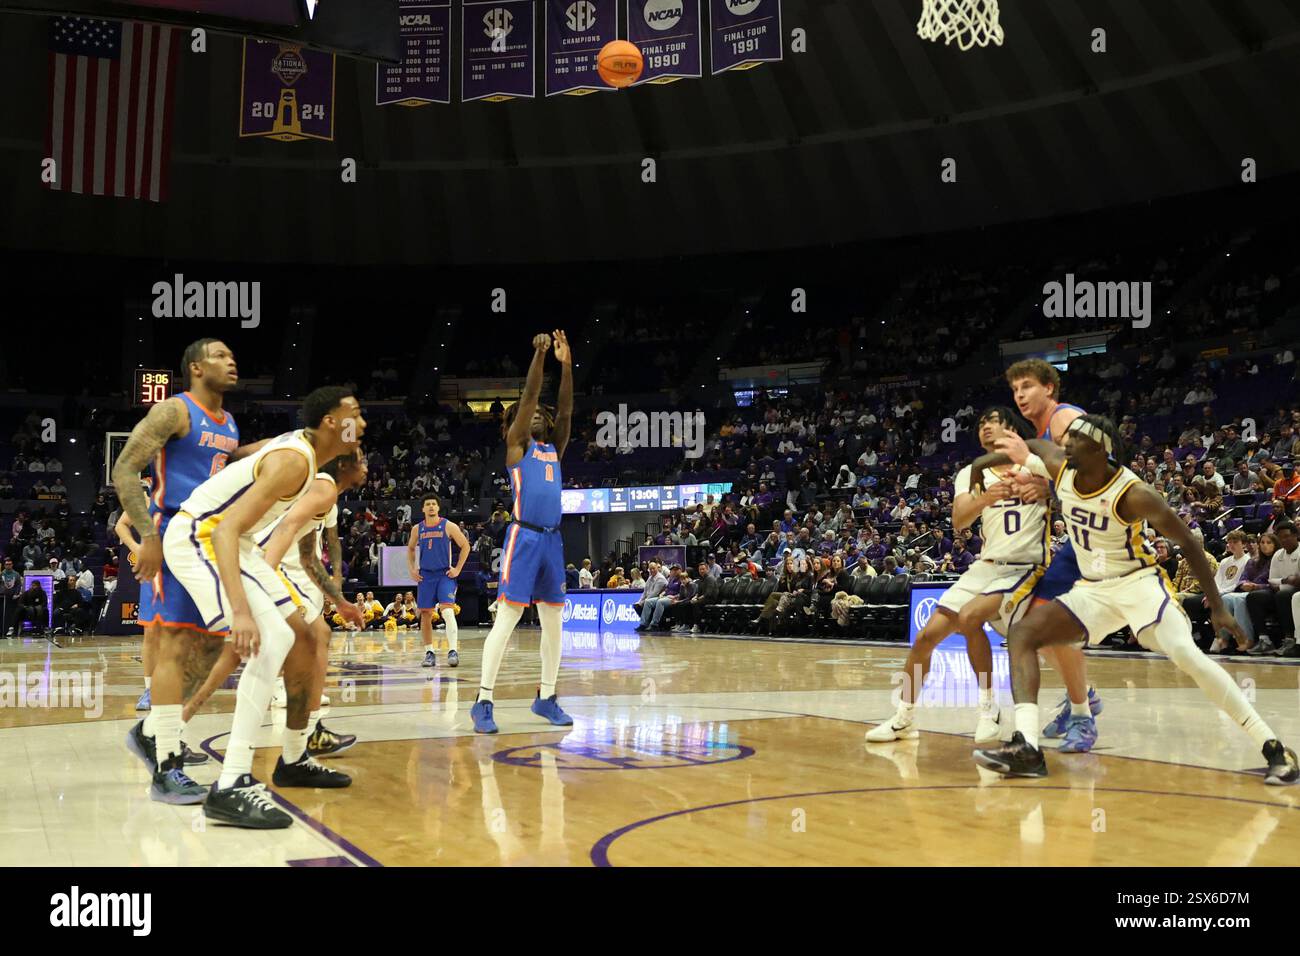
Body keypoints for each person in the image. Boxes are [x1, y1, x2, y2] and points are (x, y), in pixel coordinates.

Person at [970, 415, 1298, 785]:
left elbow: (1189, 543)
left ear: (1100, 449)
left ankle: (1273, 747)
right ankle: (1027, 747)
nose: (1066, 445)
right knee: (1022, 634)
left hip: (1138, 584)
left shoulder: (1134, 493)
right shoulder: (1061, 468)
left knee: (1187, 656)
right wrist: (982, 464)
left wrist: (1218, 606)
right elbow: (1028, 445)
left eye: (1076, 439)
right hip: (1094, 588)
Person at [163, 386, 366, 826]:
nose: (363, 423)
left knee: (307, 637)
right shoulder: (295, 460)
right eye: (355, 414)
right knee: (270, 638)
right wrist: (240, 609)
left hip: (241, 543)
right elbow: (225, 529)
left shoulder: (302, 449)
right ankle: (229, 778)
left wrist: (234, 461)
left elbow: (243, 453)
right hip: (203, 535)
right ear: (331, 421)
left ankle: (293, 758)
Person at [112, 338, 246, 794]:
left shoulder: (229, 424)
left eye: (232, 356)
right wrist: (149, 536)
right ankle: (166, 762)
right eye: (220, 356)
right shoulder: (175, 411)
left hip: (210, 540)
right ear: (195, 367)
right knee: (171, 644)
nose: (231, 362)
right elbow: (125, 469)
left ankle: (151, 733)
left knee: (208, 647)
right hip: (174, 532)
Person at [869, 408, 1045, 745]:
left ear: (1010, 428)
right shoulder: (971, 472)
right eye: (981, 423)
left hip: (1025, 565)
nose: (984, 427)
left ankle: (990, 708)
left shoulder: (1035, 463)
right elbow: (960, 521)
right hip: (988, 565)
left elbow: (1067, 490)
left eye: (991, 421)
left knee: (975, 619)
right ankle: (904, 717)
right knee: (925, 639)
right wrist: (987, 497)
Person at [471, 331, 575, 735]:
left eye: (535, 413)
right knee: (509, 618)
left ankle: (546, 697)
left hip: (552, 539)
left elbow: (565, 413)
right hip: (524, 537)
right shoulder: (517, 446)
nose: (530, 414)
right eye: (522, 412)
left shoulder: (555, 446)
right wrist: (539, 356)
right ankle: (483, 701)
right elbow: (531, 397)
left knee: (554, 623)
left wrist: (566, 366)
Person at [1004, 358, 1102, 752]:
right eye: (1014, 390)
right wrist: (1044, 487)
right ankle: (1083, 697)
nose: (1020, 395)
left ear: (1049, 388)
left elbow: (1097, 469)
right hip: (1082, 537)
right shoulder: (1046, 432)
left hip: (1103, 535)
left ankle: (1083, 713)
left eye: (1027, 385)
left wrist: (1044, 483)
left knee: (1044, 623)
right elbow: (1069, 481)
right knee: (1036, 624)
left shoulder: (1064, 418)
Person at [408, 494, 469, 668]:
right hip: (426, 576)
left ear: (438, 507)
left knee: (448, 612)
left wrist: (457, 569)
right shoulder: (417, 529)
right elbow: (411, 549)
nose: (431, 506)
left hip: (444, 575)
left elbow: (465, 545)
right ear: (423, 509)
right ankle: (429, 653)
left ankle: (452, 651)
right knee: (425, 615)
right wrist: (412, 569)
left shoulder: (448, 525)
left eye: (434, 504)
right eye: (428, 504)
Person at [1245, 520, 1300, 656]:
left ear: (1296, 535)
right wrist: (1286, 580)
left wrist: (1284, 583)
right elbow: (1271, 580)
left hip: (1294, 592)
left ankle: (1290, 640)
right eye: (1281, 537)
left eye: (1287, 536)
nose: (1283, 539)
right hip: (1280, 590)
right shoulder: (1278, 554)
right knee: (1254, 597)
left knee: (1284, 595)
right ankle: (1265, 640)